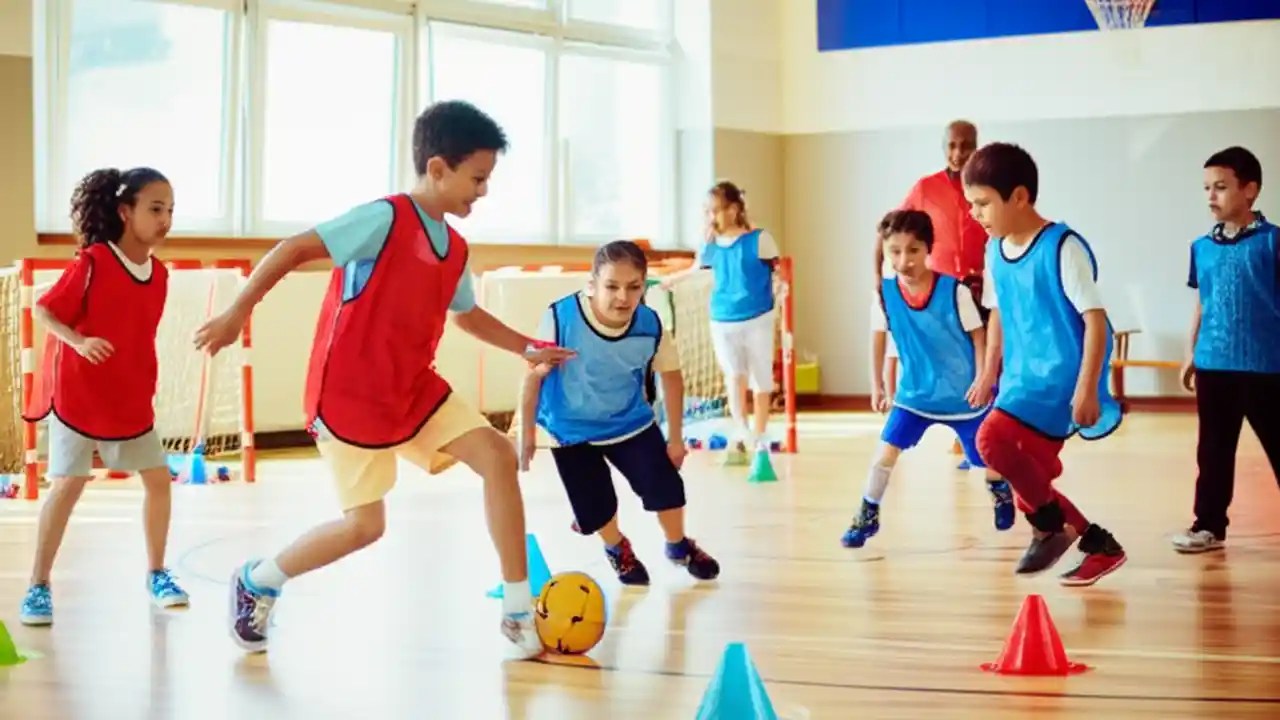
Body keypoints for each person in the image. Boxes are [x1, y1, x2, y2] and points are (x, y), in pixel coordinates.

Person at [192, 100, 575, 657]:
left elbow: (465, 315)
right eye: (477, 178)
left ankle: (518, 612)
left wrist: (527, 347)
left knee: (496, 455)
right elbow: (294, 247)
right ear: (438, 168)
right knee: (365, 527)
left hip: (412, 388)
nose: (483, 191)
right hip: (349, 395)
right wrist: (235, 313)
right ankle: (260, 580)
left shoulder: (455, 247)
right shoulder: (383, 219)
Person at [19, 167, 187, 626]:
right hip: (78, 394)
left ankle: (156, 573)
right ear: (124, 211)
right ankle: (37, 585)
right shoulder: (93, 261)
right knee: (68, 485)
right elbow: (44, 309)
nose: (165, 219)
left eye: (170, 210)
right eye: (155, 209)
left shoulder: (160, 275)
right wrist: (79, 342)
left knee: (157, 480)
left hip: (128, 398)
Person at [963, 142, 1127, 587]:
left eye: (982, 204)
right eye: (971, 205)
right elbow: (996, 314)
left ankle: (1051, 528)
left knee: (991, 442)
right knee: (1019, 475)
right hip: (1020, 380)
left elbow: (1096, 322)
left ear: (1018, 197)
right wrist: (988, 371)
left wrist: (1087, 388)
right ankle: (1096, 543)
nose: (976, 214)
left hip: (1058, 382)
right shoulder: (994, 249)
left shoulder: (1061, 246)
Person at [520, 241, 720, 585]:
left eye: (633, 287)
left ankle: (677, 545)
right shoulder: (559, 318)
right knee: (595, 506)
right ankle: (617, 548)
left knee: (666, 487)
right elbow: (532, 378)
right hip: (570, 430)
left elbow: (671, 378)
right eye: (611, 286)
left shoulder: (650, 325)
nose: (622, 297)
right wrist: (525, 437)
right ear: (592, 284)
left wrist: (675, 438)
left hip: (629, 422)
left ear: (645, 287)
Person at [843, 210, 1014, 549]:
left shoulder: (955, 292)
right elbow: (877, 339)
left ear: (928, 249)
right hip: (915, 397)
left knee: (989, 463)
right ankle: (867, 514)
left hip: (964, 397)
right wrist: (876, 384)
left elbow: (979, 337)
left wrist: (983, 379)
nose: (903, 260)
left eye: (913, 250)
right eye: (895, 251)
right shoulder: (885, 295)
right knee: (883, 455)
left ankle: (1000, 491)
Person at [1174, 146, 1280, 553]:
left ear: (1250, 190)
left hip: (1266, 366)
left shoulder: (1273, 243)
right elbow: (1202, 300)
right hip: (1215, 364)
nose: (1211, 196)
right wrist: (1191, 352)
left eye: (1221, 187)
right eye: (1206, 188)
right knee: (1213, 450)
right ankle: (1209, 526)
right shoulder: (1201, 247)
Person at [894, 120, 989, 467]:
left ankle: (982, 437)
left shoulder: (987, 187)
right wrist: (885, 273)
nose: (958, 153)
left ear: (976, 147)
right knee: (952, 362)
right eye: (951, 146)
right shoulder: (925, 188)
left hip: (983, 287)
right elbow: (896, 227)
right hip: (942, 293)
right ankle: (963, 437)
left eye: (965, 146)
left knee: (986, 359)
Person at [663, 181, 779, 465]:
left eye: (716, 210)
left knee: (761, 378)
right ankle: (741, 430)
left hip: (758, 317)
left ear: (734, 209)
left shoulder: (759, 240)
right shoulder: (710, 244)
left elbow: (778, 272)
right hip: (723, 319)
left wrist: (782, 290)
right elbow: (696, 269)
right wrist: (672, 281)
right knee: (733, 375)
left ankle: (759, 437)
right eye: (707, 211)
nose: (711, 217)